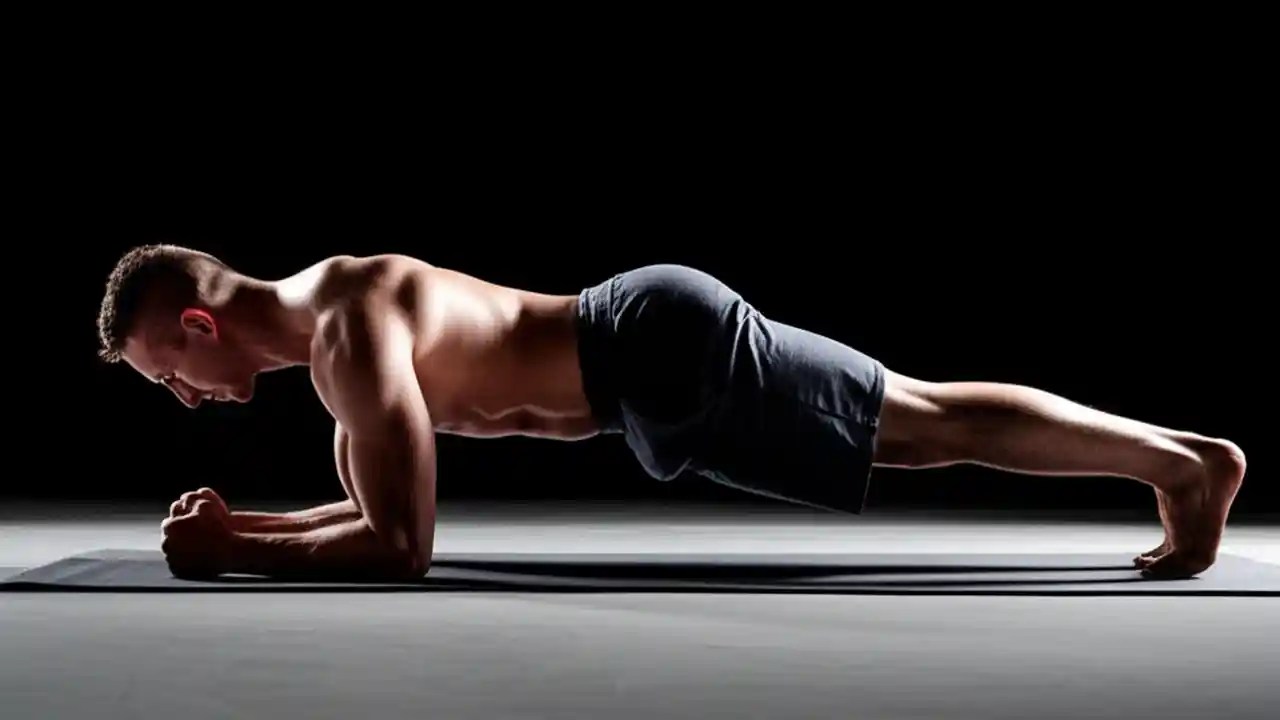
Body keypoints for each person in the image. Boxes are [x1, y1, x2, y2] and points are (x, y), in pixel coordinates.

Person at [95, 245, 1246, 581]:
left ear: (196, 326)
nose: (183, 399)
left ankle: (1181, 464)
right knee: (923, 422)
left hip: (650, 353)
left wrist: (231, 558)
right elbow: (365, 508)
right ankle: (1174, 461)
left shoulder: (350, 331)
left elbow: (401, 546)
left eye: (166, 374)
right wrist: (244, 528)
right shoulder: (343, 342)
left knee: (927, 423)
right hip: (645, 363)